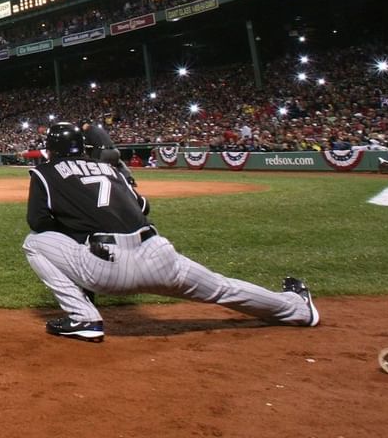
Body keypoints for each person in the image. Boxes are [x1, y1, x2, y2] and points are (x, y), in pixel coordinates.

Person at [22, 121, 318, 343]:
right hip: (159, 255)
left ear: (50, 150)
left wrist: (76, 233)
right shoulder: (109, 170)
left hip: (106, 267)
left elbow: (38, 221)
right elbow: (143, 206)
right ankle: (298, 310)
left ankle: (83, 318)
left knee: (34, 243)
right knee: (222, 288)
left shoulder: (45, 172)